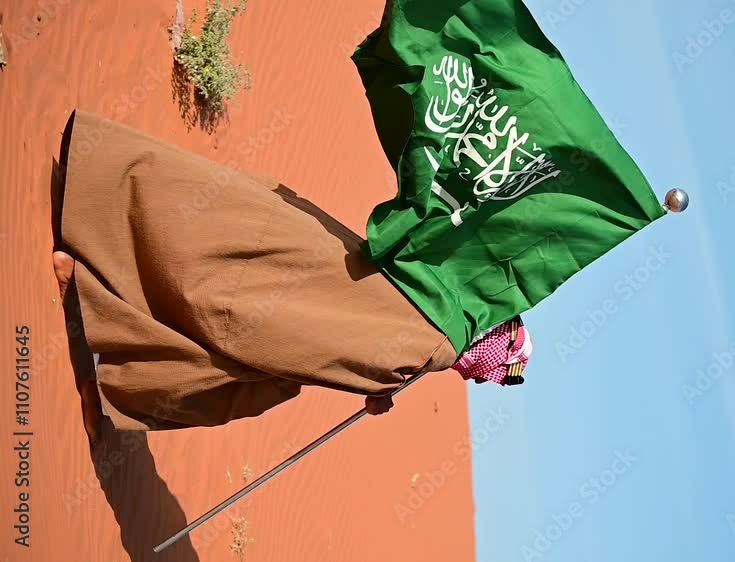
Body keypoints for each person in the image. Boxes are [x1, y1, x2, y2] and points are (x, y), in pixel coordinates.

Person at [53, 111, 530, 444]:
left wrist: (378, 389)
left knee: (216, 234)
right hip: (294, 319)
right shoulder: (439, 347)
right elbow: (349, 351)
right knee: (220, 362)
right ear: (489, 347)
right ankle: (100, 355)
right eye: (493, 372)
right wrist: (375, 388)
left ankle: (94, 211)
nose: (482, 380)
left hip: (316, 257)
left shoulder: (448, 289)